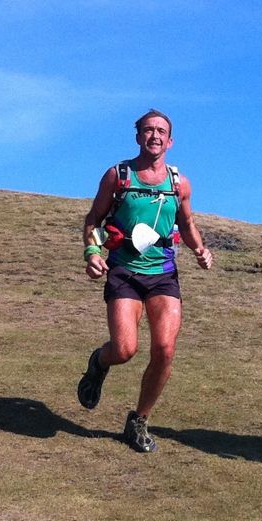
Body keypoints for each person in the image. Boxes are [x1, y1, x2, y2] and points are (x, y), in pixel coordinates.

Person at [77, 109, 213, 452]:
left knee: (165, 350)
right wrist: (92, 253)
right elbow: (93, 219)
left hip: (163, 275)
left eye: (161, 131)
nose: (154, 136)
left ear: (170, 140)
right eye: (148, 130)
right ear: (138, 136)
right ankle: (99, 362)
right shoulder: (118, 176)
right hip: (124, 271)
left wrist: (200, 249)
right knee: (124, 350)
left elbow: (186, 221)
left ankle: (138, 420)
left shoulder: (178, 183)